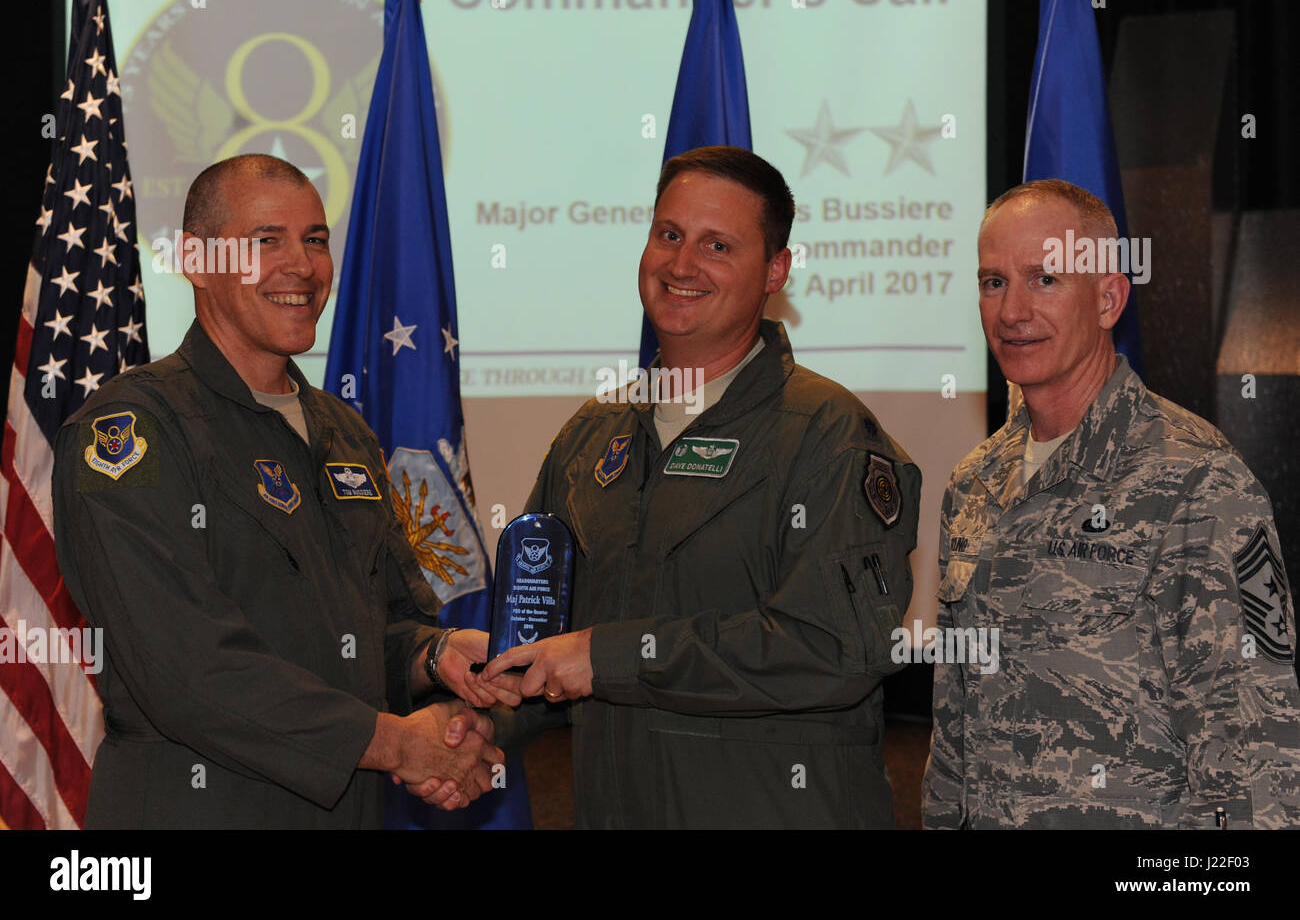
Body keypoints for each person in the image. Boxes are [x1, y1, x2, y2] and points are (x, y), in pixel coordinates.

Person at [52, 154, 514, 828]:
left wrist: (435, 658)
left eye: (315, 239)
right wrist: (397, 744)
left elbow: (370, 633)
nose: (301, 265)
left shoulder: (344, 430)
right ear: (196, 259)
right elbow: (185, 670)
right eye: (265, 240)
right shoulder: (131, 433)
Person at [482, 146, 921, 828]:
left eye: (717, 244)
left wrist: (609, 656)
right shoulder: (589, 437)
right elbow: (542, 643)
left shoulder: (828, 433)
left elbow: (835, 648)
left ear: (777, 270)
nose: (682, 265)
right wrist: (468, 732)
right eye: (669, 235)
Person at [922, 178, 1300, 828]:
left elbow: (1256, 761)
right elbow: (955, 724)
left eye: (1045, 279)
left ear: (1107, 298)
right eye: (993, 281)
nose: (1012, 310)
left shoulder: (1196, 481)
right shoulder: (973, 482)